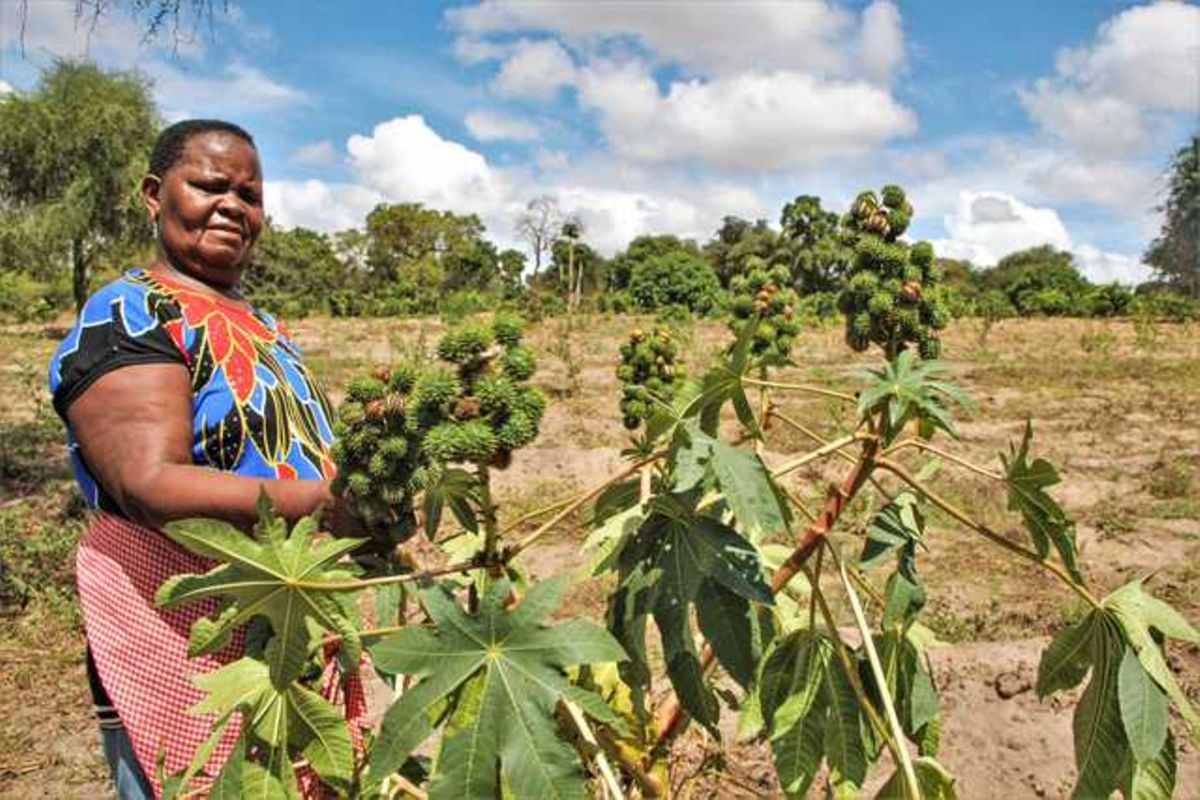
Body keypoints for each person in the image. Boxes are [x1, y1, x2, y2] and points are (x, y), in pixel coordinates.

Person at [47, 119, 356, 798]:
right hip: (179, 619)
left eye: (249, 195)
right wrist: (327, 503)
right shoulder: (129, 314)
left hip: (283, 616)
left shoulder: (264, 324)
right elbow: (150, 484)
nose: (233, 207)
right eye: (210, 185)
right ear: (155, 194)